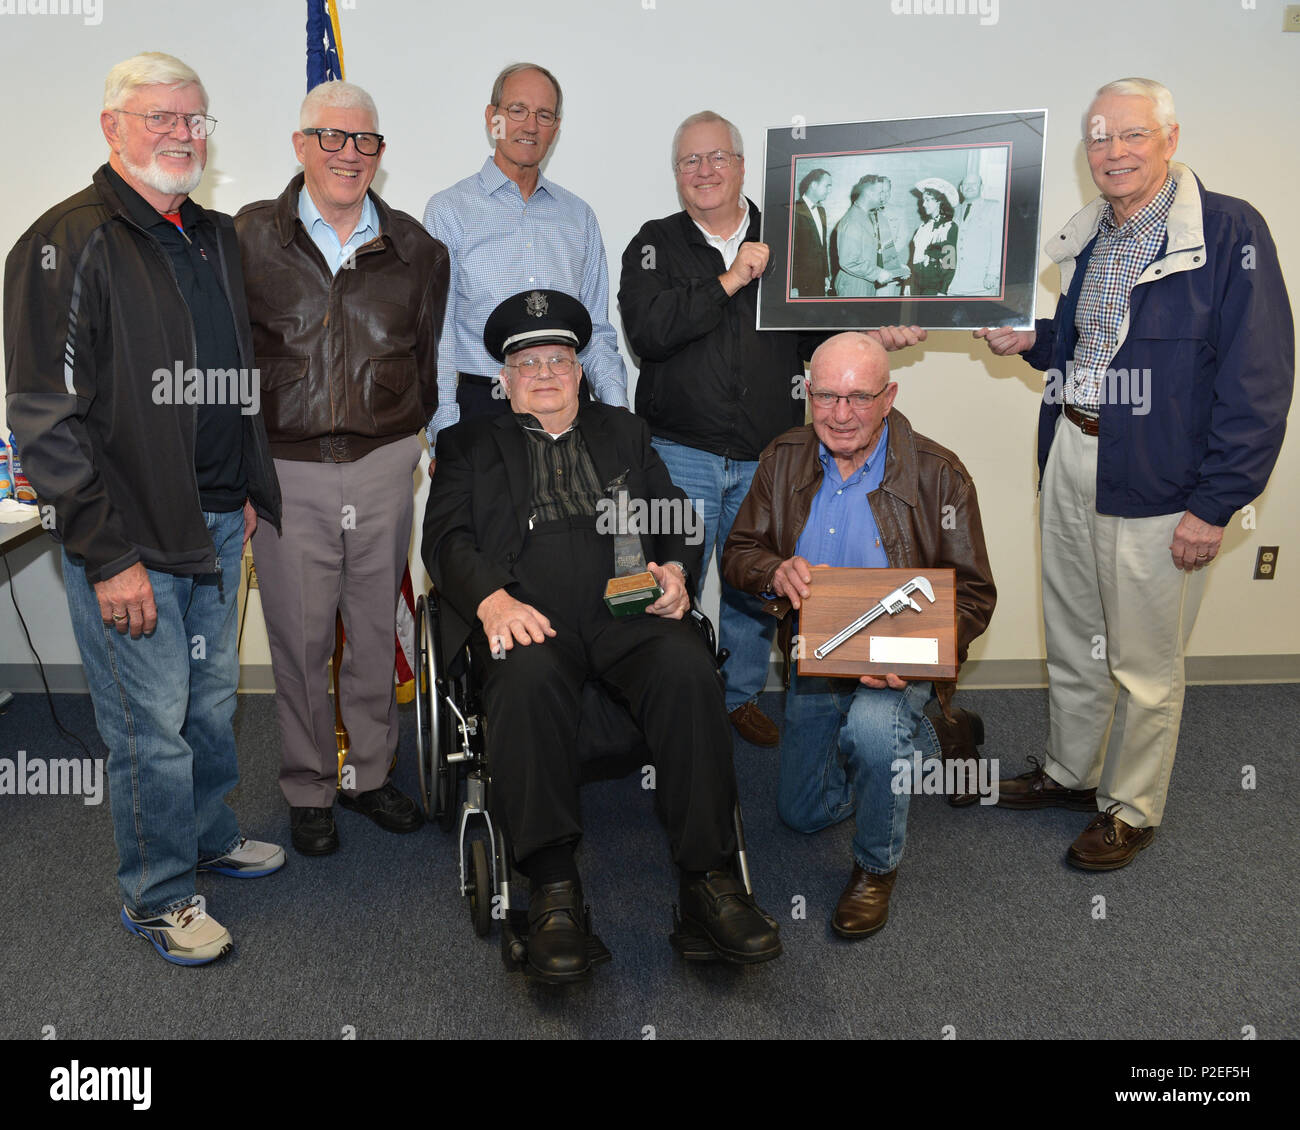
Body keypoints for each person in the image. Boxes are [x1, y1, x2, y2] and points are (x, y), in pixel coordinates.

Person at [3, 52, 284, 965]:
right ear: (112, 127)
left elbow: (231, 367)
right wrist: (104, 551)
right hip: (131, 537)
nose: (179, 133)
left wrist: (242, 481)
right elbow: (43, 417)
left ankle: (204, 837)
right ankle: (158, 896)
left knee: (208, 707)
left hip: (213, 518)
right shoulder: (65, 240)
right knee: (147, 728)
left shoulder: (212, 233)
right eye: (158, 116)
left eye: (193, 118)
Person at [975, 77, 1293, 869]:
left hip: (1161, 483)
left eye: (1132, 135)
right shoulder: (1095, 234)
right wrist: (1036, 343)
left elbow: (1259, 382)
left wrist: (1216, 505)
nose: (1112, 152)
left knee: (1145, 663)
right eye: (1098, 137)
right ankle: (1072, 773)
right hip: (1073, 456)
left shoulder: (1227, 232)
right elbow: (1097, 348)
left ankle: (1131, 807)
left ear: (1170, 139)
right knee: (1075, 640)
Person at [422, 290, 782, 982]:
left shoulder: (623, 430)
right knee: (522, 680)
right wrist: (491, 603)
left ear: (582, 371)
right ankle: (554, 890)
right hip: (528, 613)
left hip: (627, 610)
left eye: (559, 359)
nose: (547, 373)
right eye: (528, 363)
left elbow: (675, 515)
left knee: (686, 667)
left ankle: (710, 881)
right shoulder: (468, 444)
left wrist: (676, 570)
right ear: (504, 380)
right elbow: (445, 539)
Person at [619, 111, 925, 749]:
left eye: (717, 158)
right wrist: (732, 280)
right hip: (678, 450)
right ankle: (671, 698)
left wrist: (878, 328)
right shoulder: (653, 243)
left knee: (756, 584)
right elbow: (649, 332)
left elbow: (821, 332)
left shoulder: (791, 237)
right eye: (689, 161)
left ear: (740, 165)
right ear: (677, 174)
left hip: (772, 454)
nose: (704, 171)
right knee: (669, 578)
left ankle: (737, 697)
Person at [234, 81, 449, 856]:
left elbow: (427, 361)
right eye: (332, 137)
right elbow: (228, 367)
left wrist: (410, 447)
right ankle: (307, 785)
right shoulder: (246, 240)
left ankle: (369, 775)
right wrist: (245, 478)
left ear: (381, 154)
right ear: (300, 145)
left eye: (365, 141)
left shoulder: (418, 250)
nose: (349, 154)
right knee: (297, 639)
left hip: (385, 464)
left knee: (370, 628)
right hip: (288, 472)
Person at [723, 333, 996, 936]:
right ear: (807, 393)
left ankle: (876, 868)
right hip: (817, 657)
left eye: (858, 397)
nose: (840, 414)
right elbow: (739, 552)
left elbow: (973, 594)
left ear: (889, 395)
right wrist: (773, 571)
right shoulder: (783, 457)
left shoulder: (940, 474)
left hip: (895, 660)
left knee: (872, 728)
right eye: (825, 396)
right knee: (800, 814)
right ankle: (932, 736)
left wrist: (922, 659)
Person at [423, 62, 627, 451]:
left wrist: (619, 418)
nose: (530, 125)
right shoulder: (448, 211)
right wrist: (444, 437)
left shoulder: (579, 216)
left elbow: (597, 332)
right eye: (517, 110)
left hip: (568, 411)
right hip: (482, 410)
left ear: (556, 127)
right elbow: (438, 339)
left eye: (544, 115)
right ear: (492, 118)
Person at [832, 175, 908, 298]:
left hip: (864, 281)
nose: (884, 197)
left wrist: (896, 268)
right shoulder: (853, 221)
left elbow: (871, 253)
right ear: (869, 194)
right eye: (881, 192)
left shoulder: (867, 216)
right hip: (854, 285)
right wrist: (878, 273)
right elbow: (849, 261)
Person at [948, 174, 1002, 296]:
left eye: (974, 184)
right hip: (956, 282)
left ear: (981, 187)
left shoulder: (993, 207)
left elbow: (998, 243)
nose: (969, 187)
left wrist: (992, 273)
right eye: (966, 184)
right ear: (961, 188)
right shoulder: (955, 211)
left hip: (982, 282)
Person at [908, 181, 959, 296]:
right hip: (916, 284)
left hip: (933, 286)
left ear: (940, 201)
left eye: (928, 200)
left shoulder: (948, 227)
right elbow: (914, 259)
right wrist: (908, 284)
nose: (924, 204)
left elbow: (949, 262)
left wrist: (942, 290)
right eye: (923, 200)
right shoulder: (923, 227)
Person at [791, 168, 832, 297]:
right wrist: (793, 285)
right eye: (827, 186)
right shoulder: (793, 210)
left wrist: (825, 274)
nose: (829, 190)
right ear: (813, 185)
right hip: (800, 284)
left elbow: (822, 246)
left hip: (818, 281)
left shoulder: (821, 211)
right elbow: (790, 252)